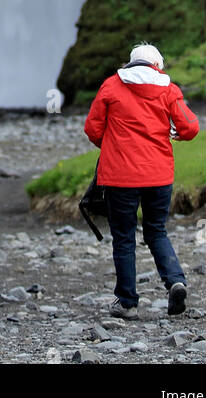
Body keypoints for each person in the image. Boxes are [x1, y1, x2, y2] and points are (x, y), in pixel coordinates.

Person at [84, 42, 199, 320]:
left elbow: (92, 128)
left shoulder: (112, 85)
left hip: (120, 177)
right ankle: (175, 282)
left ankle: (127, 302)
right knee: (156, 231)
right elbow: (190, 127)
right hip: (158, 175)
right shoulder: (169, 89)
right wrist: (175, 135)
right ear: (158, 66)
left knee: (124, 237)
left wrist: (112, 146)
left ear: (130, 62)